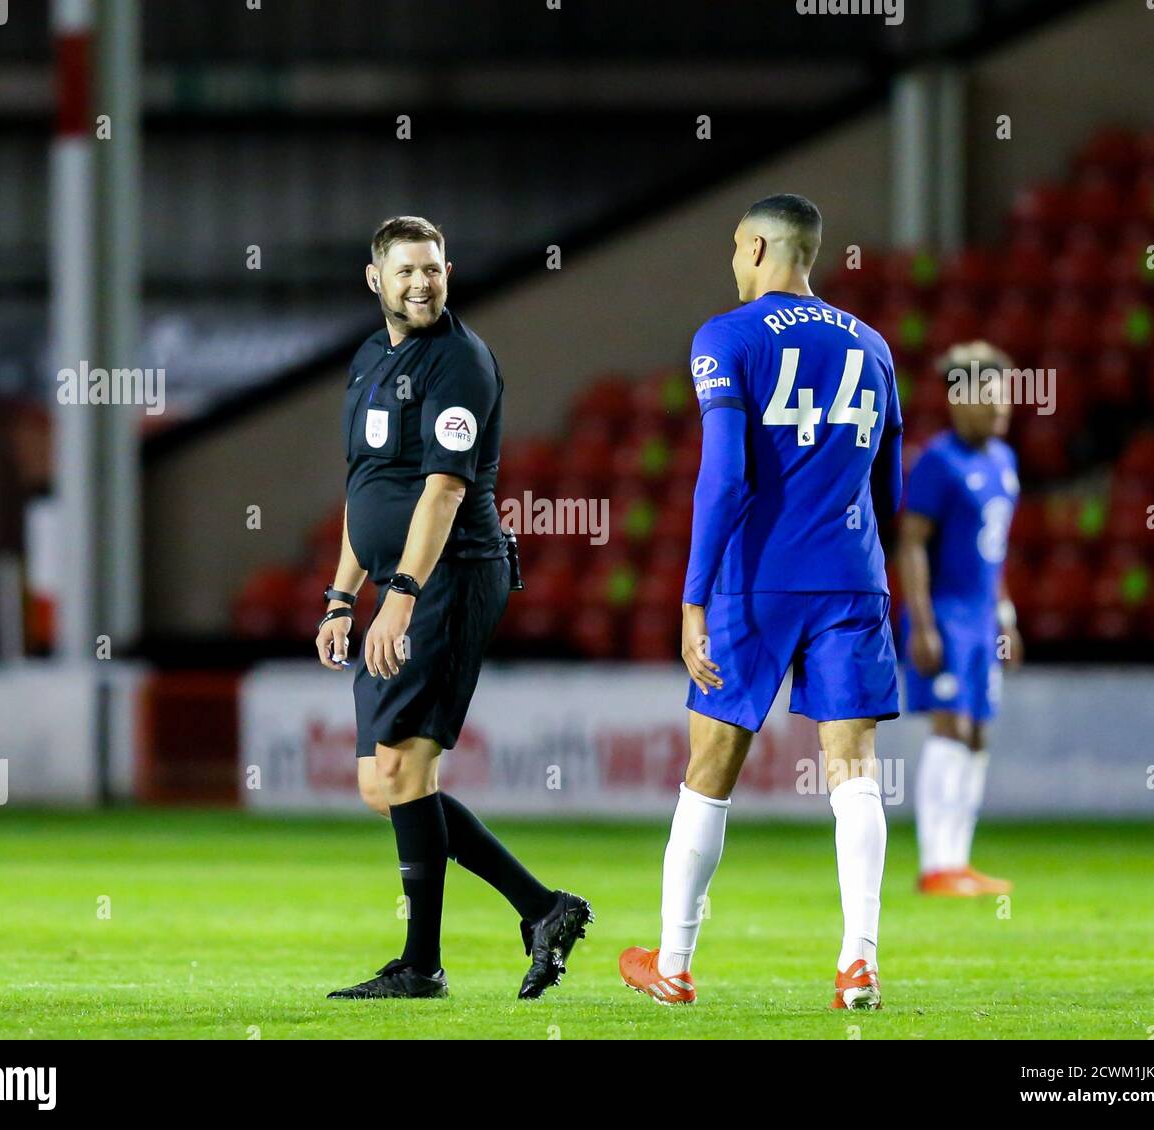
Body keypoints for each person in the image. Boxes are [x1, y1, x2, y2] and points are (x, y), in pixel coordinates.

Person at [619, 194, 903, 1010]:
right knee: (854, 774)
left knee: (709, 774)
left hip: (755, 582)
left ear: (752, 249)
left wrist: (692, 599)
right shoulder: (875, 345)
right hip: (853, 578)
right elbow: (888, 485)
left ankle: (673, 965)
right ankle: (860, 962)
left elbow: (726, 480)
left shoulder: (727, 337)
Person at [316, 216, 591, 1000]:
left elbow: (443, 490)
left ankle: (421, 965)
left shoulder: (460, 364)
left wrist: (398, 597)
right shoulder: (371, 358)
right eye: (405, 271)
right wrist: (343, 596)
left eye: (432, 268)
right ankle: (542, 908)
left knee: (404, 768)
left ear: (448, 271)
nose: (421, 283)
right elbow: (362, 487)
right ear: (376, 280)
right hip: (398, 583)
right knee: (385, 783)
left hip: (452, 577)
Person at [896, 342, 1021, 897]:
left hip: (982, 619)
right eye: (990, 396)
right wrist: (921, 623)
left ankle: (960, 859)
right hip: (945, 614)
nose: (1001, 408)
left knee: (976, 734)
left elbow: (992, 550)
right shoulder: (939, 463)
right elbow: (913, 544)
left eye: (1006, 396)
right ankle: (935, 865)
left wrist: (1006, 616)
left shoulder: (1004, 460)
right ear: (959, 400)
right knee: (949, 729)